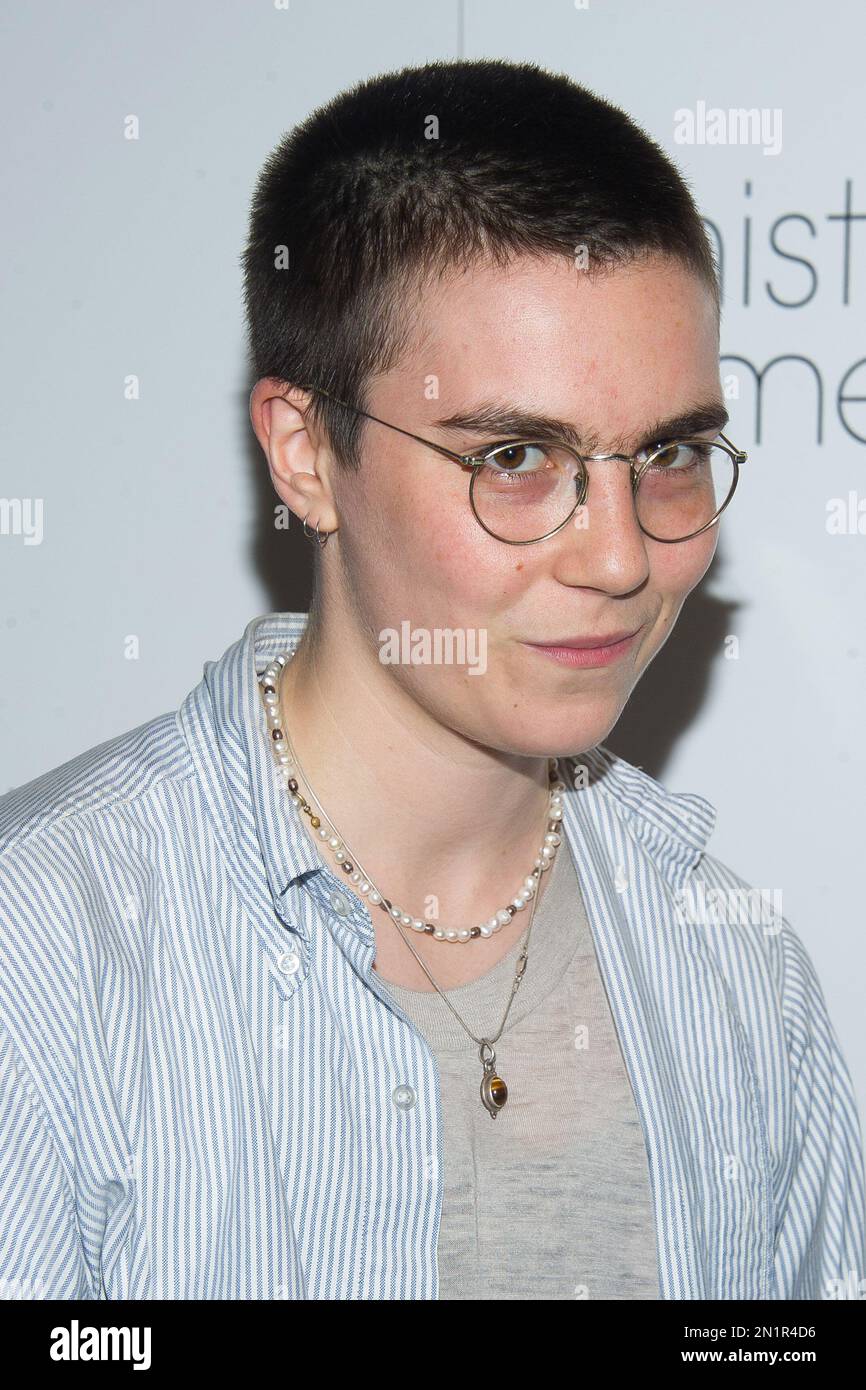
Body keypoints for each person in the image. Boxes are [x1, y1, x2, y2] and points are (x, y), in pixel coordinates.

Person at [1, 58, 863, 1302]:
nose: (621, 555)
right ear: (305, 454)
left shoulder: (731, 972)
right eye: (516, 455)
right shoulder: (47, 953)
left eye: (667, 453)